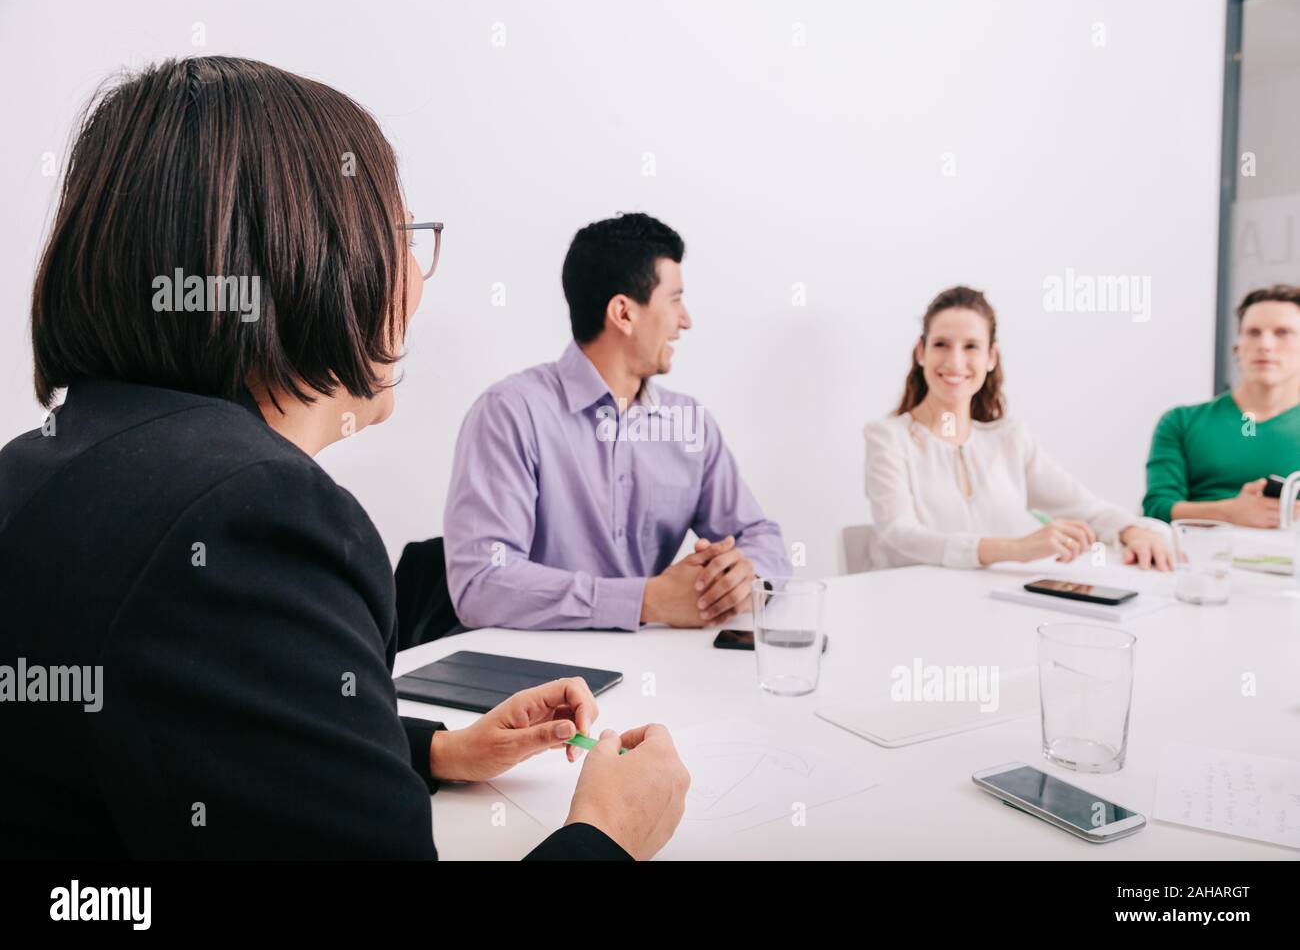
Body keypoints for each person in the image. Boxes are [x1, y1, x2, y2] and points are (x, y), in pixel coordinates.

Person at [0, 56, 687, 860]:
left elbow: (186, 725)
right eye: (401, 237)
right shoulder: (251, 514)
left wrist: (428, 749)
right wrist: (607, 834)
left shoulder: (43, 467)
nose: (418, 285)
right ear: (313, 261)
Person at [443, 213, 791, 631]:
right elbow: (480, 584)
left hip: (662, 667)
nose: (686, 321)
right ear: (623, 313)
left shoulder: (690, 425)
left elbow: (762, 537)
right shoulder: (510, 413)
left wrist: (741, 576)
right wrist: (647, 601)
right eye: (675, 300)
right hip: (539, 683)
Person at [863, 286, 1172, 571]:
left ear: (990, 358)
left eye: (971, 346)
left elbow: (1084, 507)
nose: (955, 361)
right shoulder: (889, 437)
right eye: (941, 344)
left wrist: (1133, 531)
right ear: (921, 352)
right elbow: (899, 534)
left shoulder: (1010, 440)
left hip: (1000, 609)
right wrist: (1017, 548)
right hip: (914, 607)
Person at [1143, 285, 1300, 526]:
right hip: (1194, 558)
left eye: (1283, 333)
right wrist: (1229, 512)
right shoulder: (1181, 422)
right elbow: (1157, 507)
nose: (1265, 345)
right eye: (1253, 332)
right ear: (1238, 347)